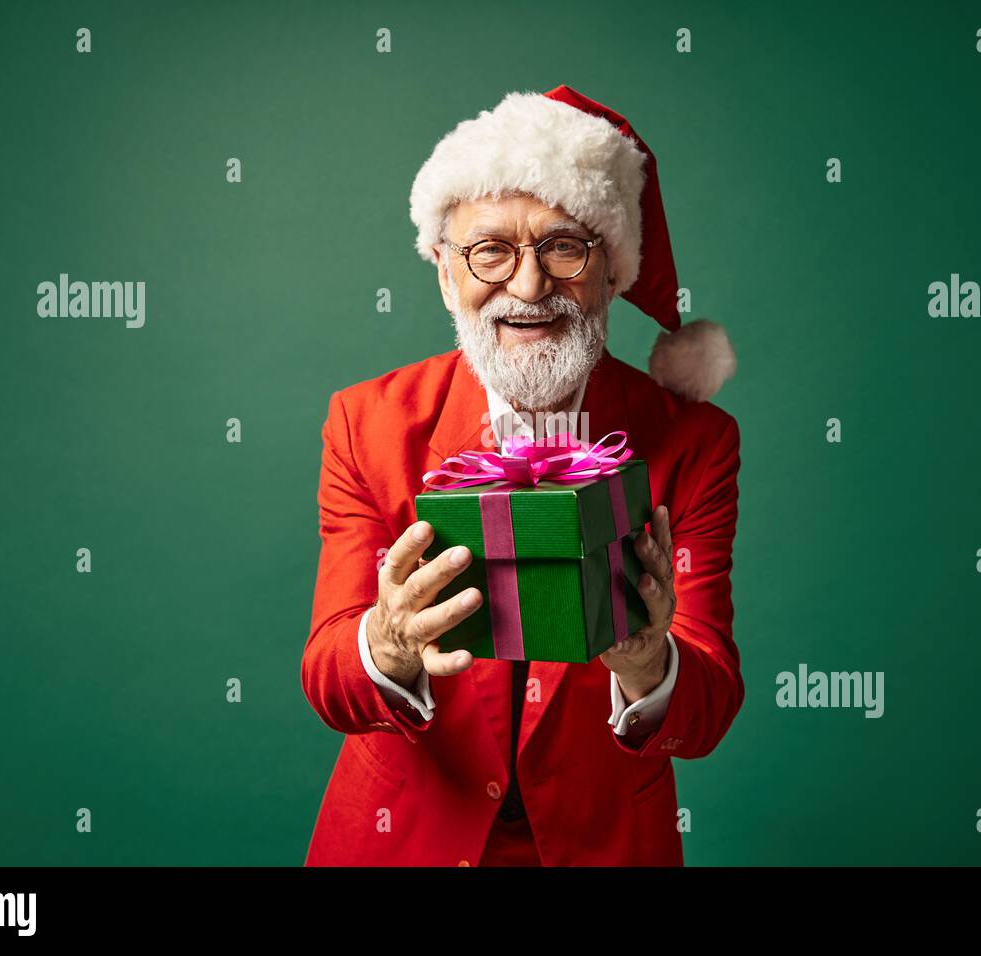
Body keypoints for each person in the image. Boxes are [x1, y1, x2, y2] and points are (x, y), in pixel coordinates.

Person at [301, 85, 742, 866]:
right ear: (445, 273)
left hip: (604, 845)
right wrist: (389, 641)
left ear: (612, 272)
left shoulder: (692, 443)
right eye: (490, 250)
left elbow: (704, 712)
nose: (529, 286)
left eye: (564, 247)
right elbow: (330, 674)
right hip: (404, 840)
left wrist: (647, 662)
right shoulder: (365, 424)